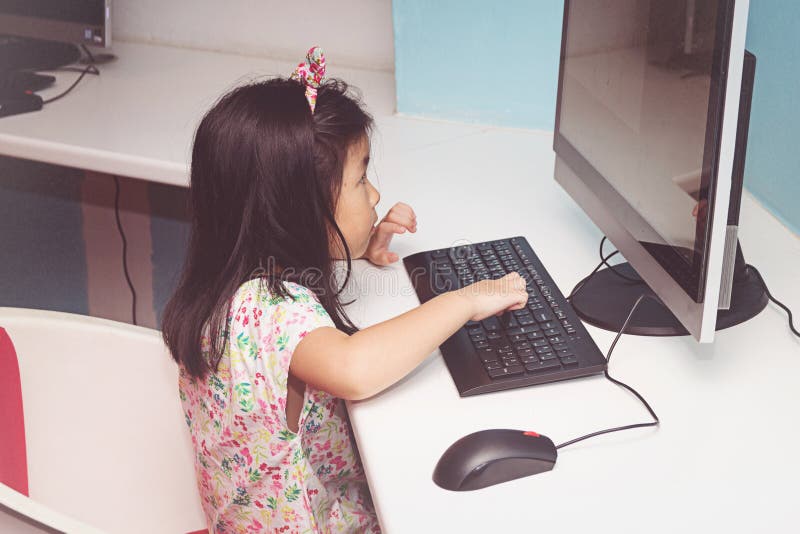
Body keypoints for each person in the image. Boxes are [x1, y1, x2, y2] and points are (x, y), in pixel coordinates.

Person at [161, 47, 529, 533]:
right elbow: (355, 369)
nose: (375, 194)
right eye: (360, 180)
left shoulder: (229, 284)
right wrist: (462, 300)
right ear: (298, 211)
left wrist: (355, 246)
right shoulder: (268, 312)